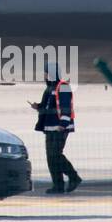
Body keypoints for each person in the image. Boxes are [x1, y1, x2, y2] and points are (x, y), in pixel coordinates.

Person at [29, 63, 81, 194]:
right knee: (51, 157)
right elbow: (48, 106)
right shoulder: (49, 88)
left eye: (46, 72)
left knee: (55, 155)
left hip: (59, 128)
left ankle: (74, 177)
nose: (44, 75)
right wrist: (38, 106)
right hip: (49, 127)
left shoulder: (62, 86)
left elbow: (65, 107)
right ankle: (58, 185)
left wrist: (63, 125)